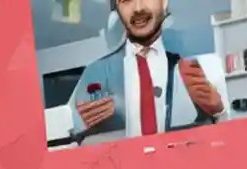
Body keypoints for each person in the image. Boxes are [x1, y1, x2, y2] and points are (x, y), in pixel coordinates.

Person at [73, 0, 225, 138]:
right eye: (126, 1)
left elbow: (230, 133)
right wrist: (81, 127)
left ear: (164, 2)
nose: (138, 8)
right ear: (117, 10)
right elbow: (71, 139)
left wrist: (218, 110)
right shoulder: (97, 74)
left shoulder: (198, 65)